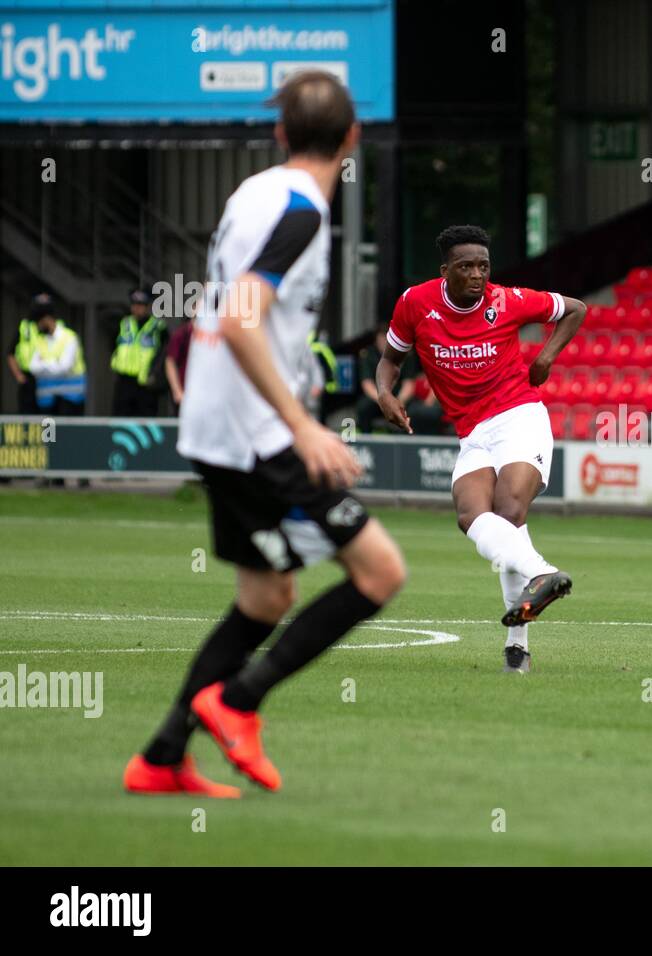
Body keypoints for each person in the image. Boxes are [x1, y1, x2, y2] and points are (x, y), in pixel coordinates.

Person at [123, 70, 407, 798]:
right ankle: (238, 702)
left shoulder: (254, 191)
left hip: (216, 426)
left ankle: (161, 757)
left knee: (266, 598)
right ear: (353, 137)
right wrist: (301, 426)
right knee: (379, 573)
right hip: (258, 434)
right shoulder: (302, 212)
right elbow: (242, 317)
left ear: (280, 134)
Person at [376, 224, 585, 673]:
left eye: (483, 266)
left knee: (508, 512)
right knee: (471, 515)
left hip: (520, 416)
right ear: (445, 270)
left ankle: (518, 642)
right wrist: (384, 394)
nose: (477, 275)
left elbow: (575, 309)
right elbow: (392, 358)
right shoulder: (415, 304)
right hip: (472, 432)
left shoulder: (506, 300)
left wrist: (545, 357)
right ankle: (541, 578)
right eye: (466, 266)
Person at [110, 289, 168, 416]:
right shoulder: (123, 324)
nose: (137, 309)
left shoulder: (158, 327)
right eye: (134, 305)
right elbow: (113, 344)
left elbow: (165, 353)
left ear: (147, 307)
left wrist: (156, 374)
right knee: (121, 417)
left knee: (146, 418)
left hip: (146, 382)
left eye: (141, 305)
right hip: (124, 380)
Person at [28, 298, 85, 415]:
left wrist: (43, 364)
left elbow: (65, 367)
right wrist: (54, 362)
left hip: (70, 400)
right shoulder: (41, 340)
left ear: (47, 319)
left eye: (38, 322)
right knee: (49, 433)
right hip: (47, 402)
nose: (37, 326)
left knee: (67, 433)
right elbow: (32, 367)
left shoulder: (69, 337)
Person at [7, 292, 55, 413]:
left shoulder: (57, 329)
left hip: (48, 379)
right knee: (27, 416)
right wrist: (19, 376)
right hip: (28, 379)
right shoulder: (25, 327)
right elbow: (10, 353)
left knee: (48, 418)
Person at [164, 298, 195, 411]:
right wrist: (177, 391)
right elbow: (170, 362)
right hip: (186, 394)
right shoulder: (182, 333)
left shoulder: (216, 334)